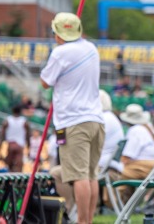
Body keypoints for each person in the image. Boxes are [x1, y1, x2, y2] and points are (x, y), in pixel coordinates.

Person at [40, 12, 105, 224]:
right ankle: (89, 220)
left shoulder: (60, 53)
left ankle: (82, 222)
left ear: (58, 33)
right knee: (91, 174)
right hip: (96, 119)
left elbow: (45, 82)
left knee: (79, 176)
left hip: (72, 122)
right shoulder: (91, 48)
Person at [52, 90, 124, 220]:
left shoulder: (101, 118)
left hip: (103, 169)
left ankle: (70, 209)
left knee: (57, 173)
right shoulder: (110, 118)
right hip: (108, 167)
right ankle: (84, 214)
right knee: (85, 174)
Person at [113, 103, 154, 202]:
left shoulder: (135, 130)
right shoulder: (148, 127)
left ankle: (113, 204)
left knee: (114, 173)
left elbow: (126, 157)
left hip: (144, 167)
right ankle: (126, 204)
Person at [2, 105, 30, 172]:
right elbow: (28, 134)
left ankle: (10, 174)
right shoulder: (24, 121)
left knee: (9, 163)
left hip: (11, 144)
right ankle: (18, 176)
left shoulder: (8, 120)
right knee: (19, 164)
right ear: (20, 112)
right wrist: (29, 145)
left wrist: (1, 143)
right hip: (20, 144)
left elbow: (2, 133)